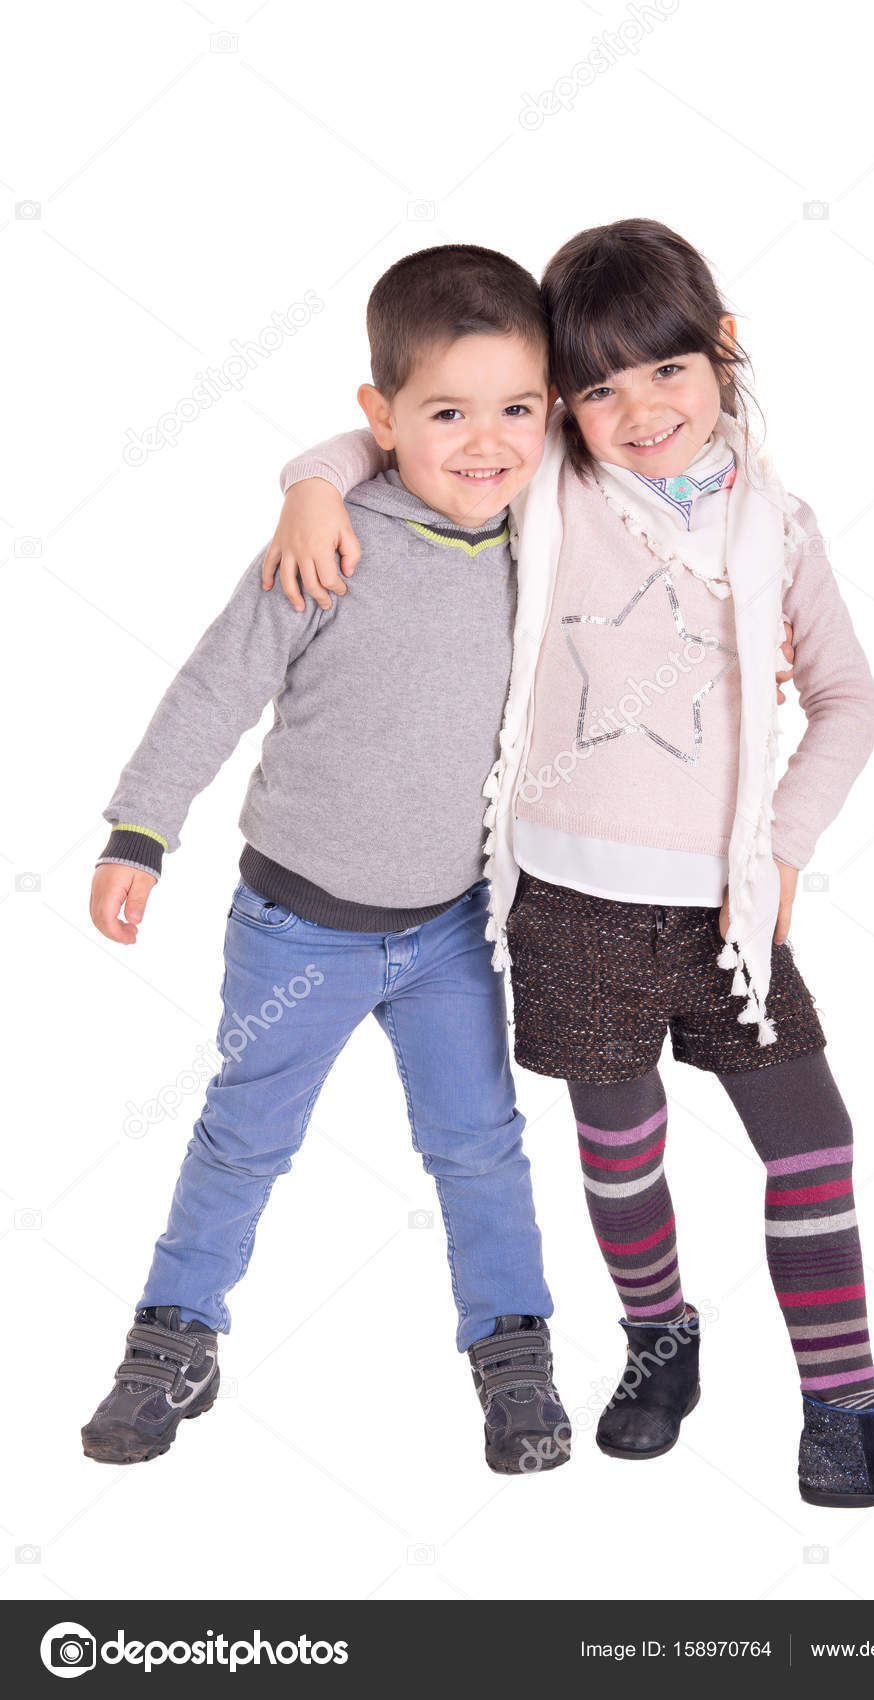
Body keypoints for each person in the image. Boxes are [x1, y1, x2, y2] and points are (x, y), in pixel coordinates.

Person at [258, 219, 874, 1513]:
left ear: (724, 352)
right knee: (619, 1148)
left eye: (664, 371)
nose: (637, 409)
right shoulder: (550, 481)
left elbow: (847, 701)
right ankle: (660, 1347)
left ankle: (845, 1419)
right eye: (596, 387)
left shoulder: (778, 524)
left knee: (812, 1145)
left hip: (723, 916)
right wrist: (311, 483)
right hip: (573, 903)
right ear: (565, 405)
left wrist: (779, 851)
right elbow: (412, 436)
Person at [81, 244, 571, 1477]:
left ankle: (512, 1348)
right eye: (445, 412)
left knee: (479, 1141)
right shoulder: (329, 544)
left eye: (517, 408)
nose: (485, 441)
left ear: (553, 410)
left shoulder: (550, 530)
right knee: (244, 1136)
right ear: (381, 418)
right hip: (297, 927)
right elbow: (212, 689)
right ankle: (172, 1333)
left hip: (454, 930)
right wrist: (142, 828)